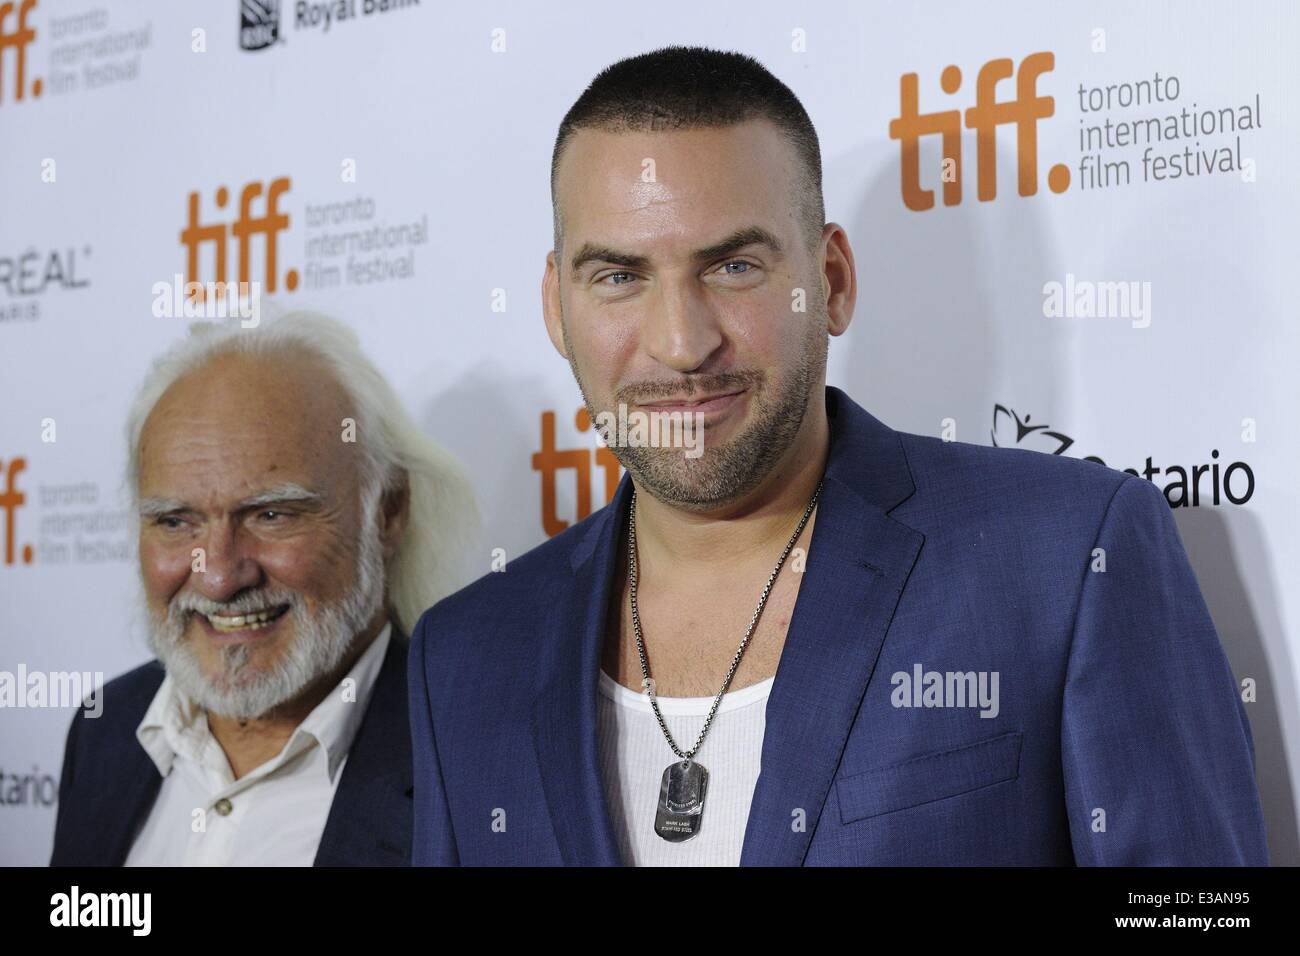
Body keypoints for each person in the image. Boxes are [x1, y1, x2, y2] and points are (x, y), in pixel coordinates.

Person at [407, 46, 1268, 865]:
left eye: (734, 266)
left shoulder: (1067, 558)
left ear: (833, 281)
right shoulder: (466, 659)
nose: (680, 343)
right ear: (558, 308)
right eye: (620, 277)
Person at [51, 310, 477, 866]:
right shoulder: (104, 730)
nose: (220, 576)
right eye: (176, 522)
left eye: (272, 515)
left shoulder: (472, 763)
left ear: (388, 512)